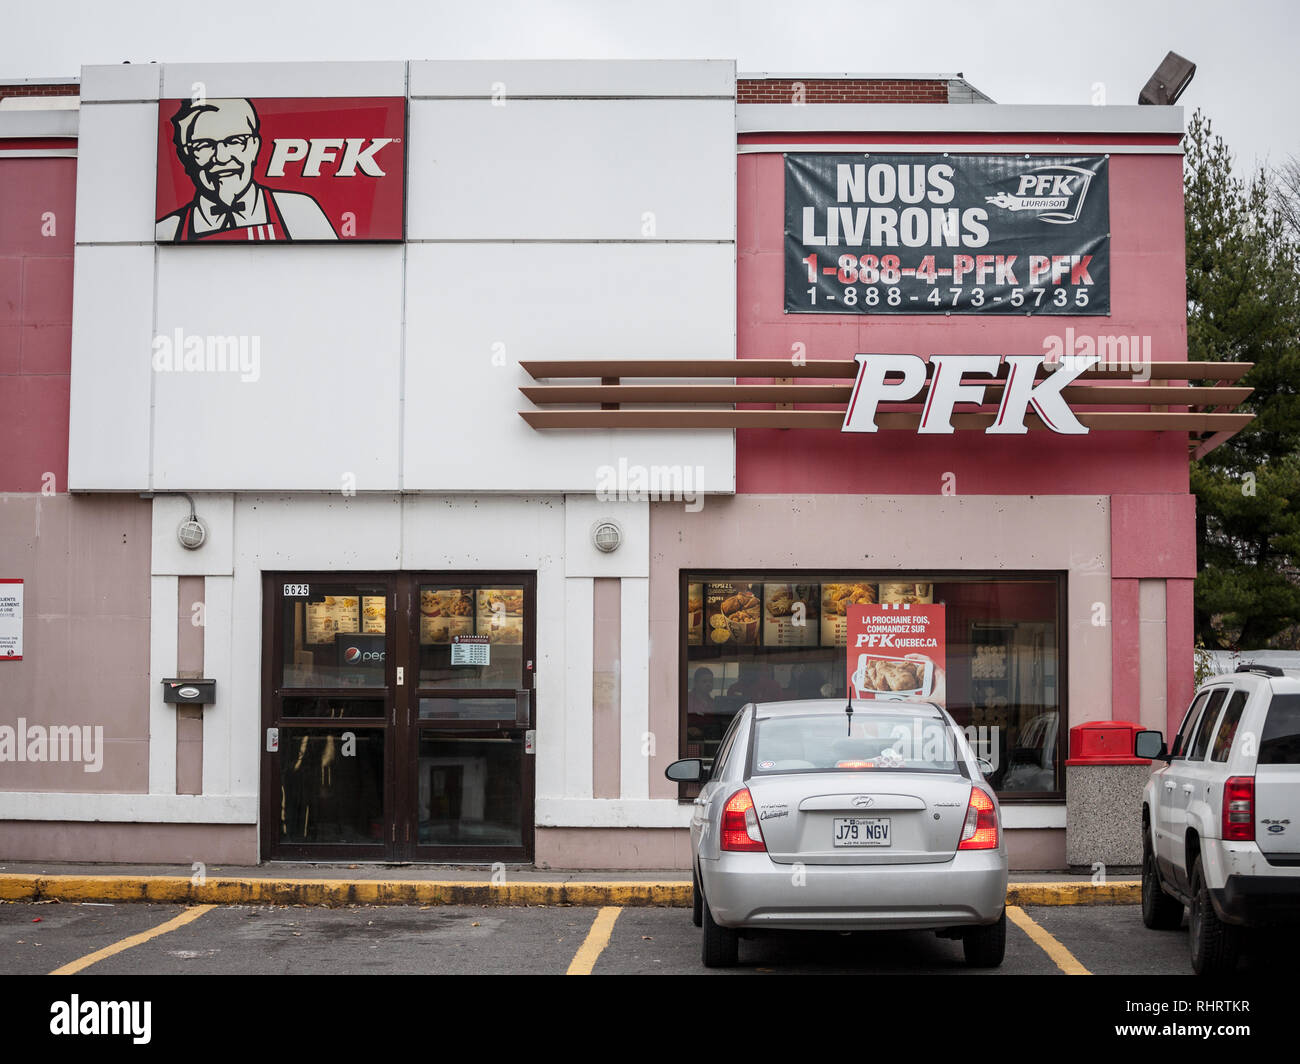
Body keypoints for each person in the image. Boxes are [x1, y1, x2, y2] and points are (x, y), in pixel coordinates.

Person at [156, 98, 338, 242]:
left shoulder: (298, 210)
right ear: (185, 157)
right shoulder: (169, 229)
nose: (222, 157)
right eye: (204, 145)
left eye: (235, 141)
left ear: (254, 146)